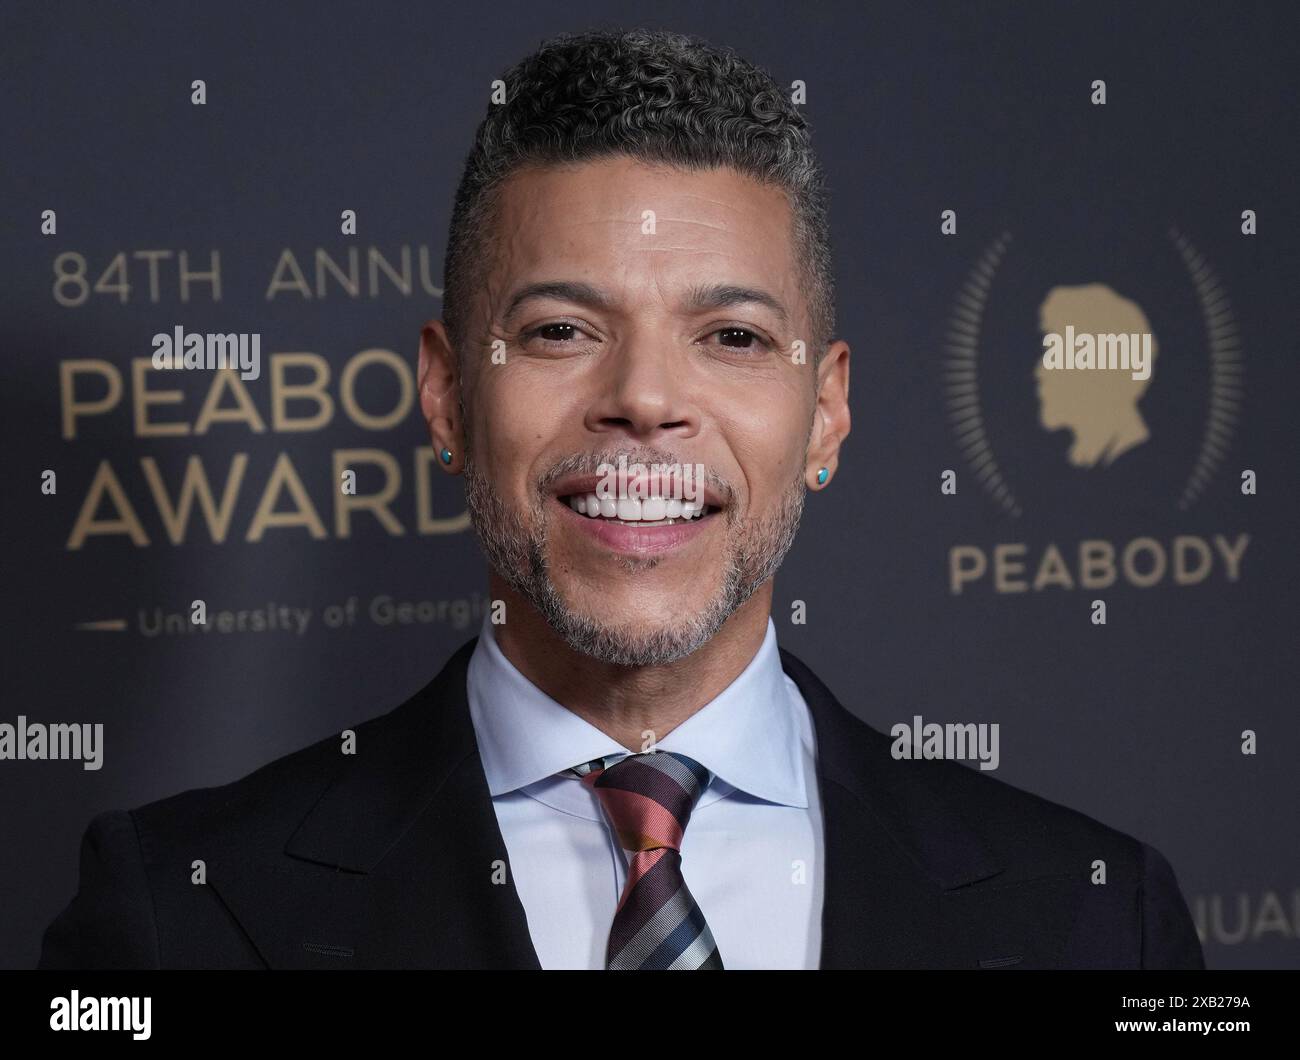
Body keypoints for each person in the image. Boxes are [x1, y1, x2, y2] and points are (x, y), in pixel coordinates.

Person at [39, 27, 1203, 970]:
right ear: (446, 398)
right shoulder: (178, 916)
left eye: (732, 335)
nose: (644, 398)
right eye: (560, 330)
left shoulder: (1097, 921)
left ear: (827, 412)